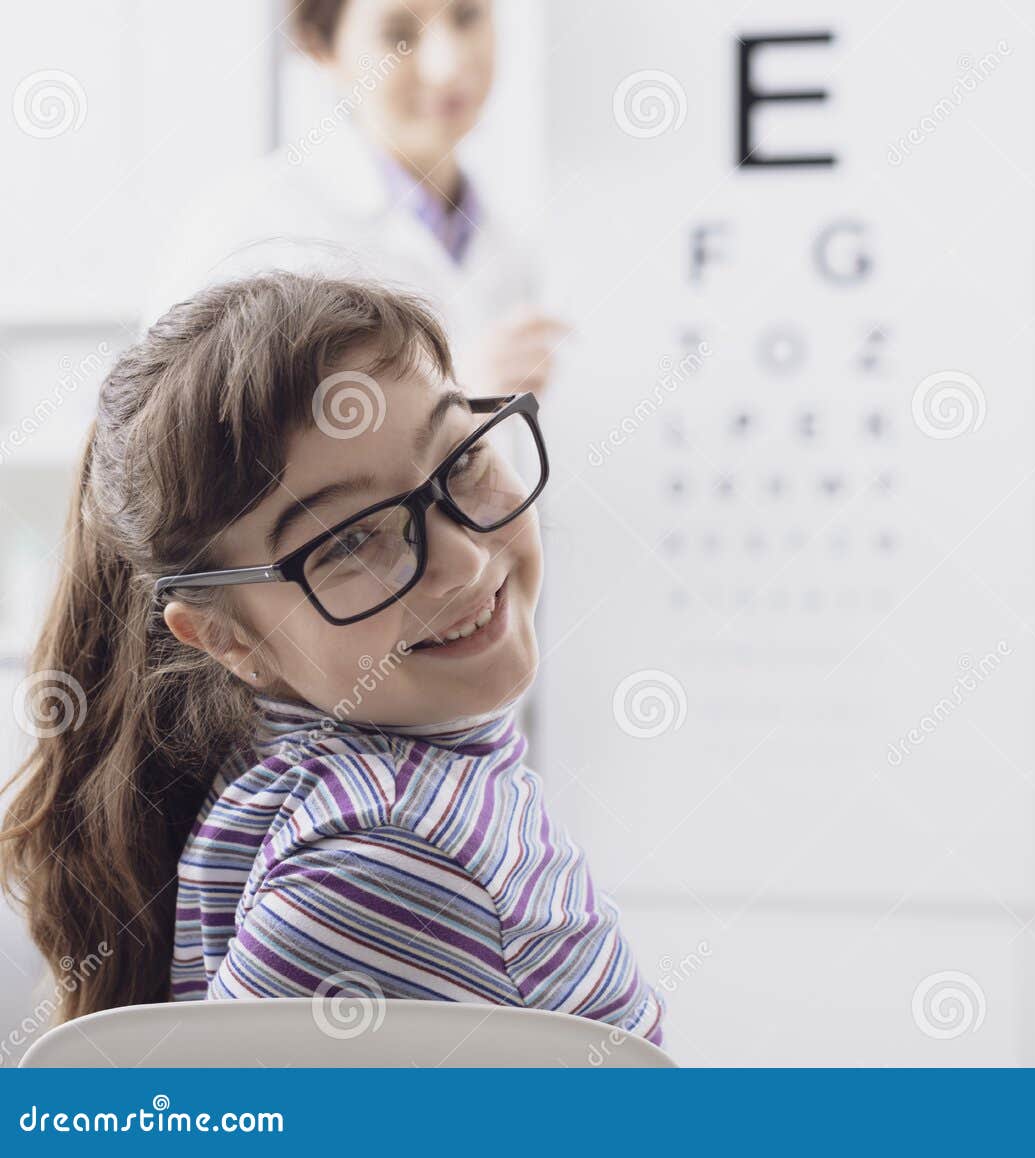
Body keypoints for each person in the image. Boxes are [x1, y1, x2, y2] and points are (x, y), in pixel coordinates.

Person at [0, 272, 663, 1046]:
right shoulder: (385, 860)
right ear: (227, 639)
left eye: (460, 465)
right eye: (352, 541)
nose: (466, 561)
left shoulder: (315, 765)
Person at [142, 0, 563, 399]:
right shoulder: (249, 223)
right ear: (320, 47)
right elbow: (177, 450)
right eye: (398, 35)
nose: (447, 66)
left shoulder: (506, 244)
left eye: (467, 15)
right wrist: (451, 402)